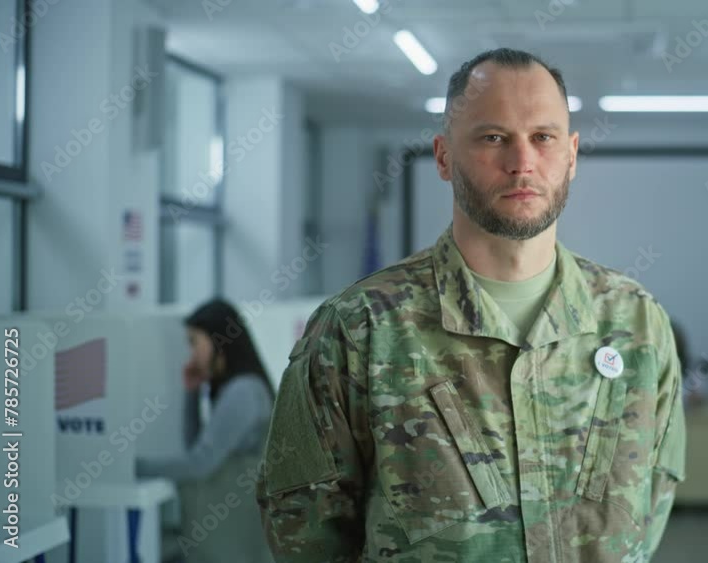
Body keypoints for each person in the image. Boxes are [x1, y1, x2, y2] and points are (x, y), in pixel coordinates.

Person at [256, 48, 685, 563]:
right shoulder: (359, 330)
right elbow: (305, 536)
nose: (522, 161)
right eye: (493, 137)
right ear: (443, 157)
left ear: (571, 155)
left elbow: (651, 506)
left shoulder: (636, 322)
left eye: (542, 138)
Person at [136, 299, 275, 563]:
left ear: (218, 340)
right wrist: (192, 392)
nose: (191, 353)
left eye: (193, 342)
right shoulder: (240, 387)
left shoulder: (243, 392)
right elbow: (198, 448)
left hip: (236, 536)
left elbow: (200, 463)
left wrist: (134, 467)